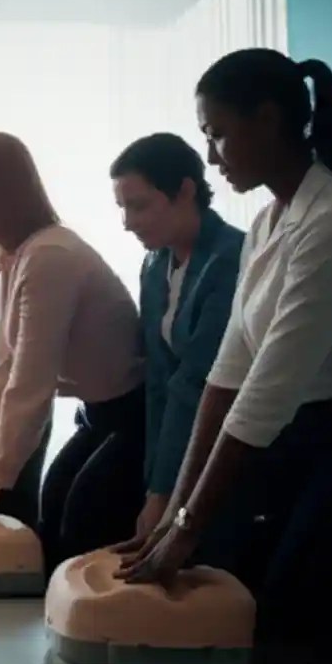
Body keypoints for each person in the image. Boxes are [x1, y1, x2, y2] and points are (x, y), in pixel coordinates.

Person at [116, 48, 332, 664]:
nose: (212, 156)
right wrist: (173, 514)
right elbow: (227, 374)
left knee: (297, 610)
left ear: (267, 120)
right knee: (233, 565)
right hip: (305, 430)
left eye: (217, 135)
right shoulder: (270, 222)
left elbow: (265, 393)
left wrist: (185, 528)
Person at [0, 132, 144, 571]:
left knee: (77, 522)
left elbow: (30, 382)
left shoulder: (50, 257)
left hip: (134, 415)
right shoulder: (11, 256)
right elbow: (1, 370)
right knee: (55, 513)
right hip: (96, 415)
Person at [110, 133, 244, 546]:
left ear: (185, 191)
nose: (127, 222)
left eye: (138, 205)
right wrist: (155, 485)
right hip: (177, 436)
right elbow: (160, 382)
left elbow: (195, 383)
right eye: (122, 207)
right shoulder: (154, 265)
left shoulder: (233, 258)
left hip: (235, 438)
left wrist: (166, 494)